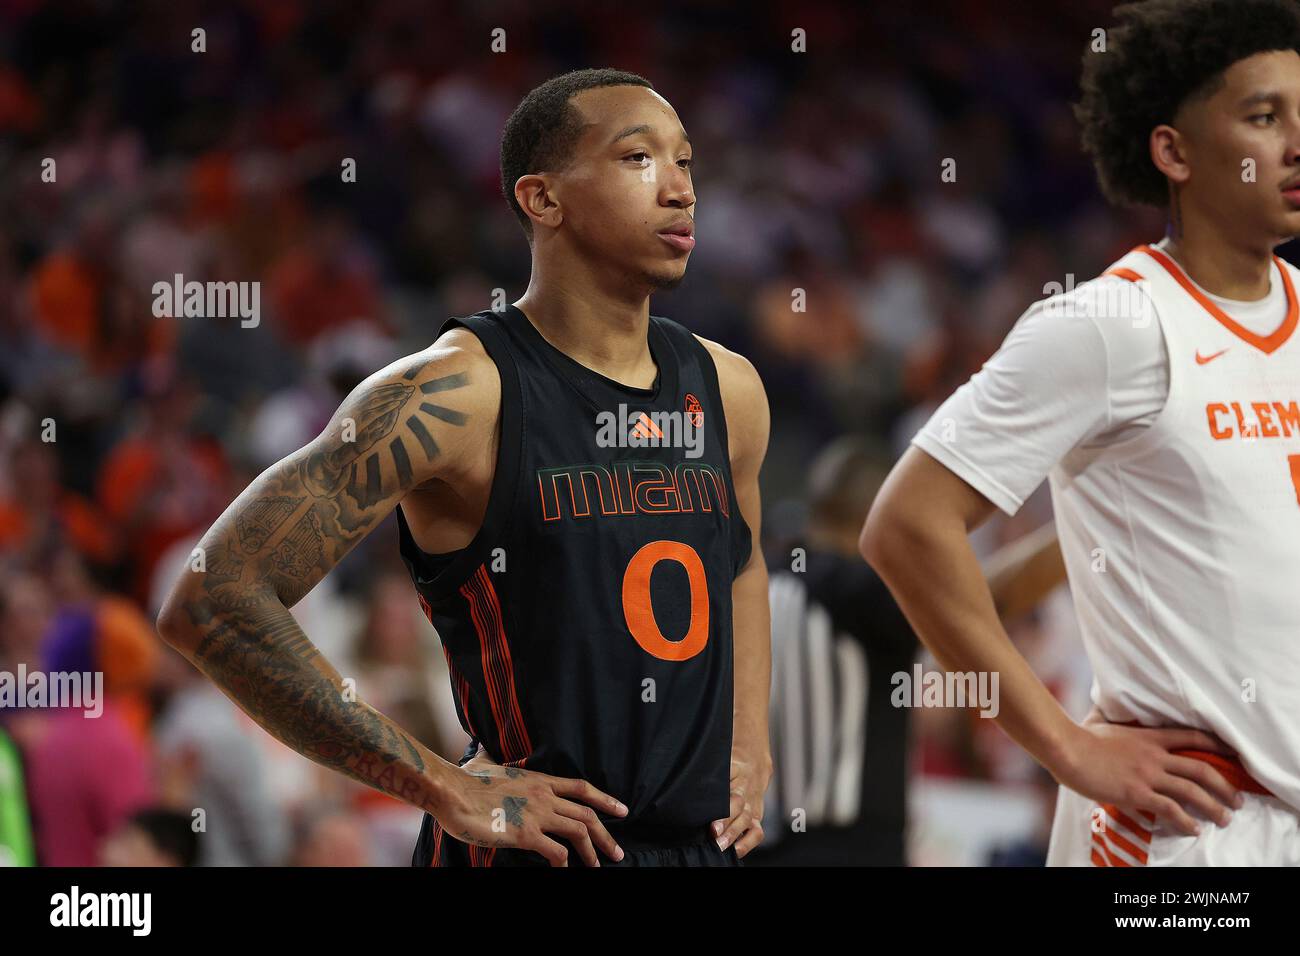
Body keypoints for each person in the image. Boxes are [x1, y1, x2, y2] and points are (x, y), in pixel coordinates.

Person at [157, 67, 772, 868]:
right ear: (541, 199)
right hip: (533, 848)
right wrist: (441, 785)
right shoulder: (455, 390)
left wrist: (751, 746)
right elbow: (212, 598)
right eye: (637, 158)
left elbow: (745, 561)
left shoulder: (729, 387)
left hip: (697, 848)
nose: (681, 189)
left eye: (685, 162)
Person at [861, 0, 1300, 866]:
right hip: (1196, 830)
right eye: (1263, 117)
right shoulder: (1112, 324)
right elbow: (906, 528)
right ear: (1172, 150)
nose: (1296, 141)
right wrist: (1067, 747)